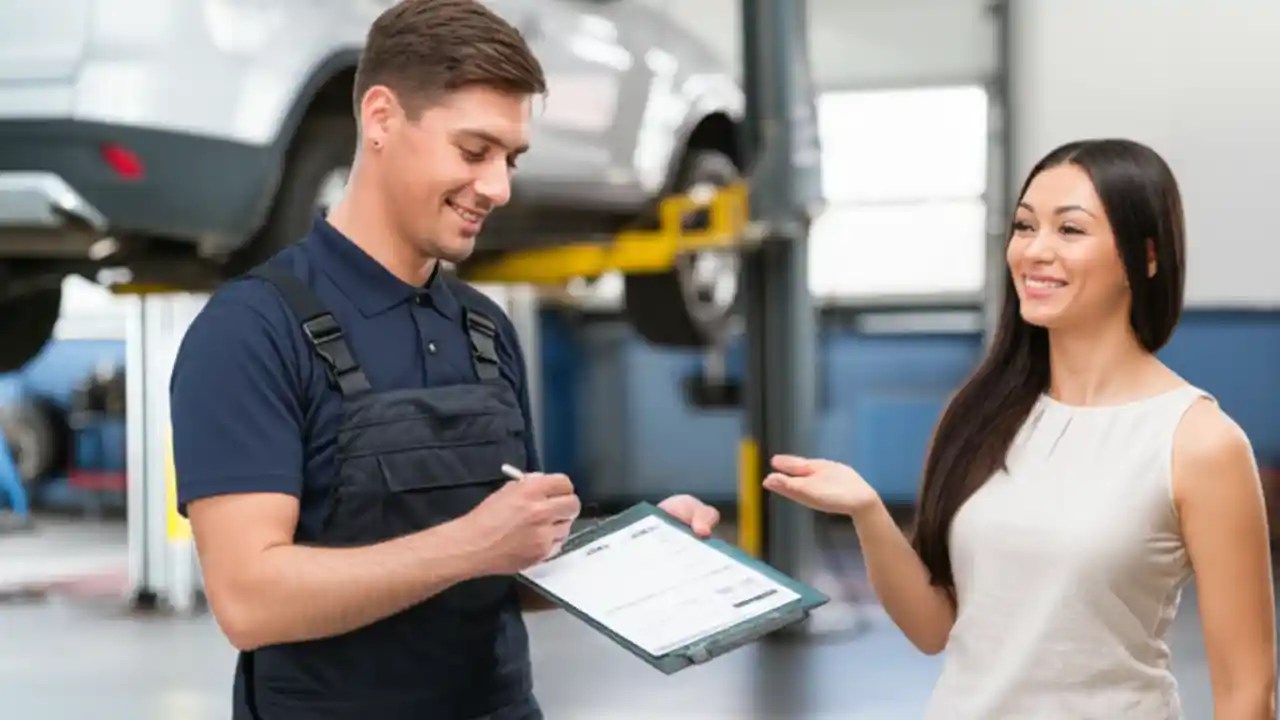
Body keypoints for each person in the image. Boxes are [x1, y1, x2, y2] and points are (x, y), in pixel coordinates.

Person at [169, 2, 720, 718]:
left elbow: (504, 561)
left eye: (511, 159)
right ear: (381, 118)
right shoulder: (252, 329)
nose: (499, 187)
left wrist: (627, 550)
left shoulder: (486, 330)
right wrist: (472, 543)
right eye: (474, 151)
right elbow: (250, 600)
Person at [763, 138, 1277, 718]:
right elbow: (937, 629)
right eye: (1025, 226)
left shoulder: (1199, 441)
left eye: (1070, 230)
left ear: (1147, 257)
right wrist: (868, 512)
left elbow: (1247, 693)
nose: (1035, 251)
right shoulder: (983, 414)